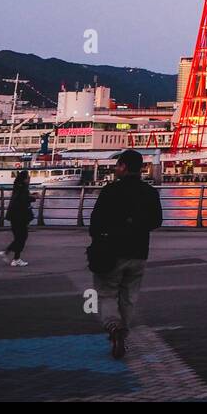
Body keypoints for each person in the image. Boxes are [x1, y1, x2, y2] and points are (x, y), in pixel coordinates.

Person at [88, 149, 164, 359]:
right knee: (129, 297)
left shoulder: (110, 191)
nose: (116, 168)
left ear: (123, 166)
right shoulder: (150, 193)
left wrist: (99, 238)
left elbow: (95, 221)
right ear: (141, 168)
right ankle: (123, 331)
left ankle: (114, 327)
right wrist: (136, 227)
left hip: (110, 251)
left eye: (118, 165)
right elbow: (157, 221)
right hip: (139, 252)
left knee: (106, 293)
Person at [0, 170, 33, 267]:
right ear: (24, 179)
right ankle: (13, 257)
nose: (29, 178)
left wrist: (30, 196)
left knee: (19, 237)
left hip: (14, 216)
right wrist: (34, 198)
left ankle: (10, 254)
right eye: (28, 177)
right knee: (22, 237)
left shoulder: (18, 187)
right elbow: (23, 200)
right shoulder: (23, 189)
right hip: (20, 217)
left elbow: (21, 198)